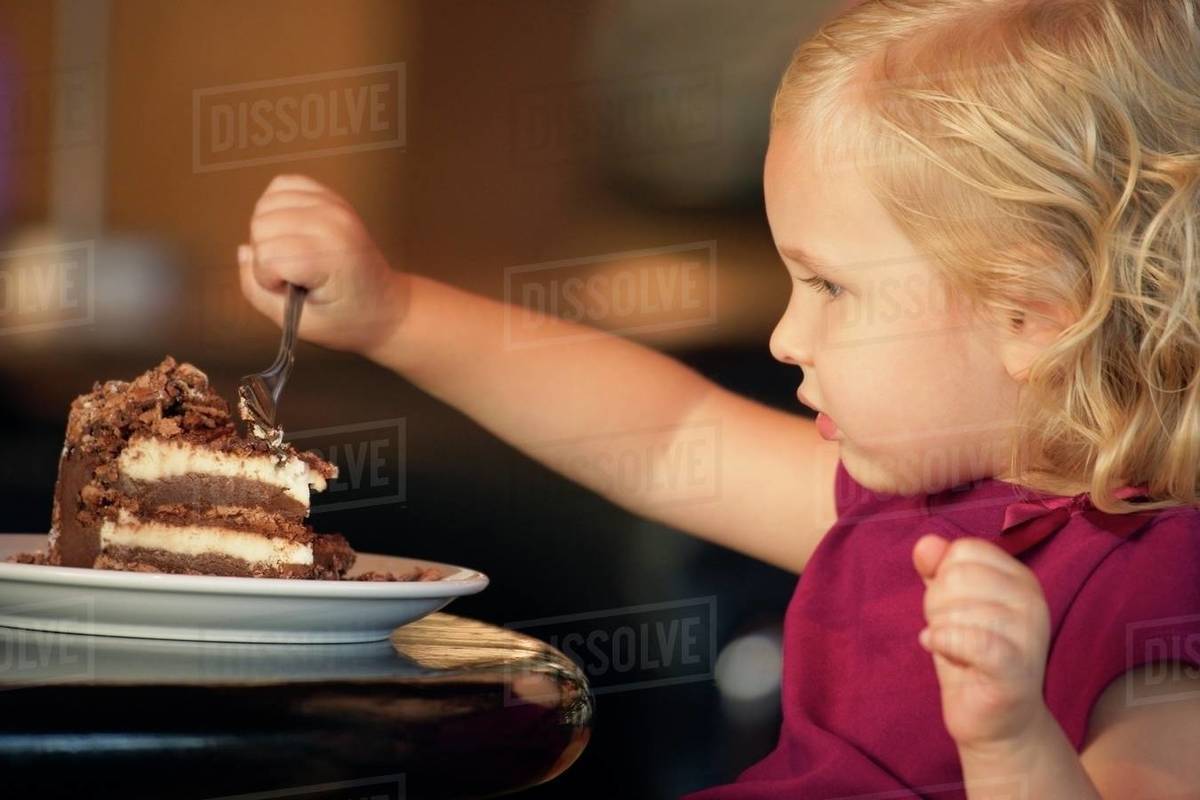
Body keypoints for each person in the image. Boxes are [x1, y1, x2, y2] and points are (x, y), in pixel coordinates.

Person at [237, 0, 1200, 795]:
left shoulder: (1161, 593)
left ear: (1031, 318)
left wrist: (1009, 744)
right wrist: (394, 314)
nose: (786, 338)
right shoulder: (903, 501)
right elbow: (665, 435)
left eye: (829, 287)